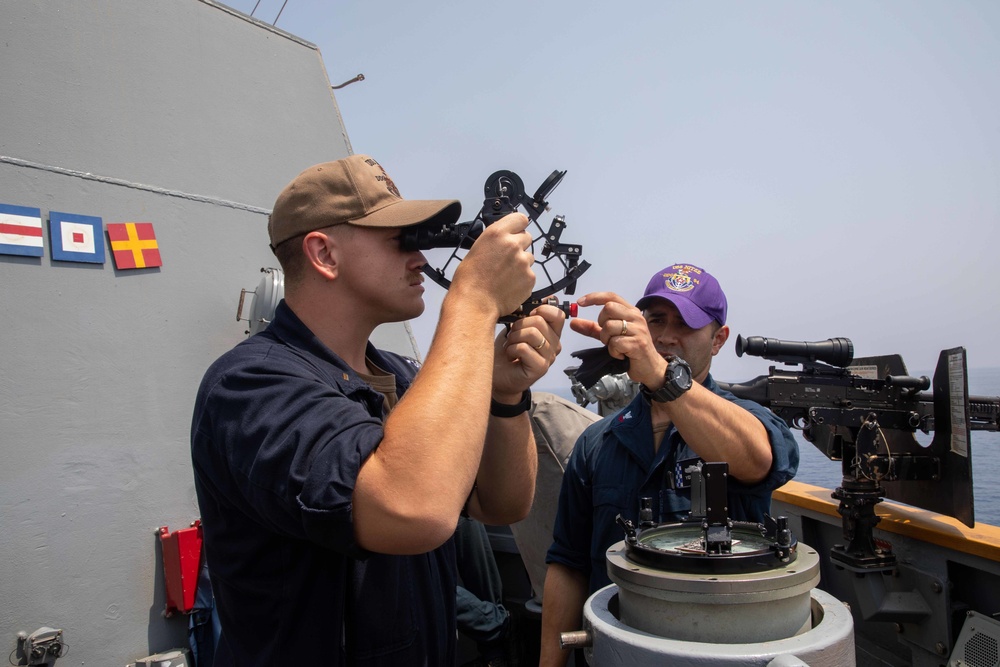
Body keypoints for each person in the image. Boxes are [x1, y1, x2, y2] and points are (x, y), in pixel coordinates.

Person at [190, 154, 566, 666]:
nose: (420, 256)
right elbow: (412, 509)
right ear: (324, 254)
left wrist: (504, 395)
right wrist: (473, 301)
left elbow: (500, 505)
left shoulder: (405, 375)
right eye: (401, 237)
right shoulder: (250, 386)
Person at [538, 263, 799, 667]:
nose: (665, 337)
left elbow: (756, 459)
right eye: (656, 320)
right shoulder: (597, 442)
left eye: (686, 324)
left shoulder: (743, 419)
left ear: (718, 340)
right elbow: (569, 564)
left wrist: (663, 377)